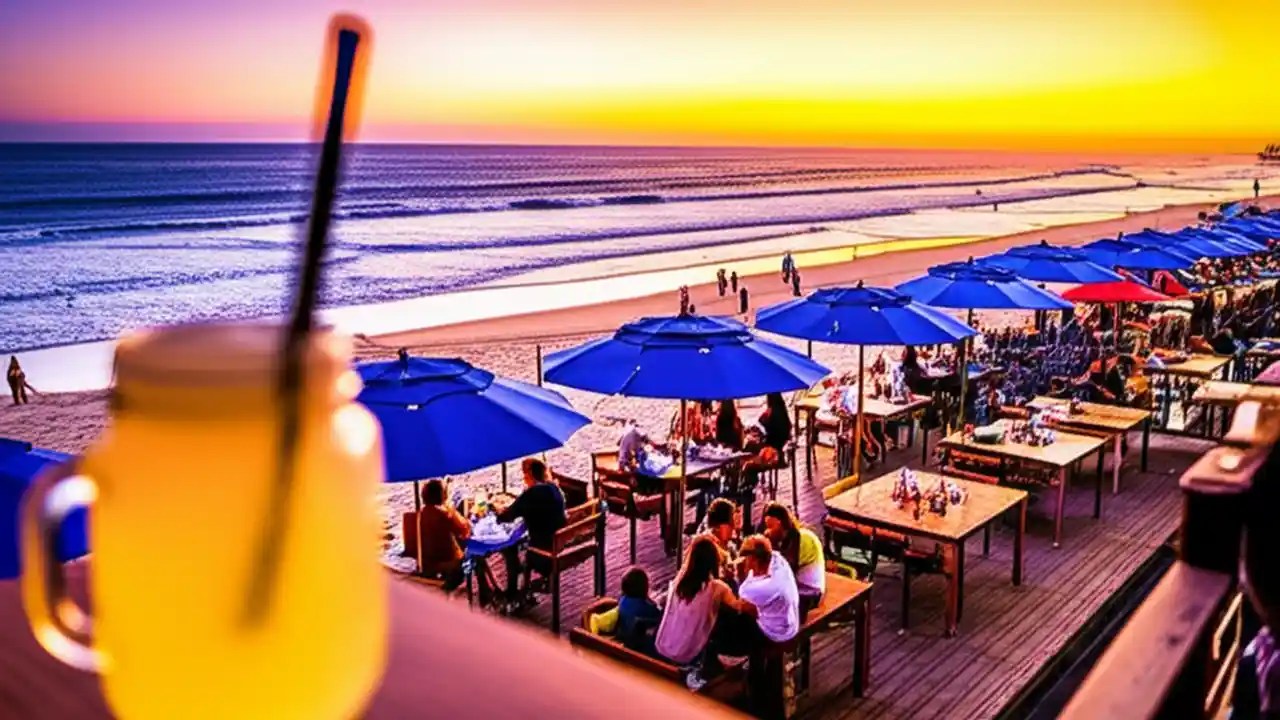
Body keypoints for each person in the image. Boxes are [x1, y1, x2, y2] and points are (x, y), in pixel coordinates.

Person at [654, 536, 755, 675]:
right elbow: (740, 607)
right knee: (737, 619)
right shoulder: (717, 588)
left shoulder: (680, 580)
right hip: (688, 654)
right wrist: (741, 577)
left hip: (663, 645)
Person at [496, 458, 567, 597]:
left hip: (542, 554)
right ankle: (516, 573)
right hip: (559, 545)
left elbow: (507, 516)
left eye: (524, 474)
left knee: (508, 546)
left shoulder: (530, 494)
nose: (523, 478)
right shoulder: (554, 489)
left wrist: (497, 510)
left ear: (530, 475)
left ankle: (512, 591)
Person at [760, 502, 825, 600]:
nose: (767, 531)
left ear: (780, 523)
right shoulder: (783, 541)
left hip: (809, 590)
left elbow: (786, 570)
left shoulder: (804, 538)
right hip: (795, 587)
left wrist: (771, 546)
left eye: (770, 526)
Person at [416, 479, 471, 591]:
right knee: (475, 558)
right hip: (445, 563)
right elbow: (464, 531)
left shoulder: (422, 513)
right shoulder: (444, 514)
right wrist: (451, 509)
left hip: (427, 561)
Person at [616, 566, 663, 654]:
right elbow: (660, 616)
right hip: (640, 647)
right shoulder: (647, 609)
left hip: (627, 639)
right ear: (644, 587)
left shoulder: (622, 600)